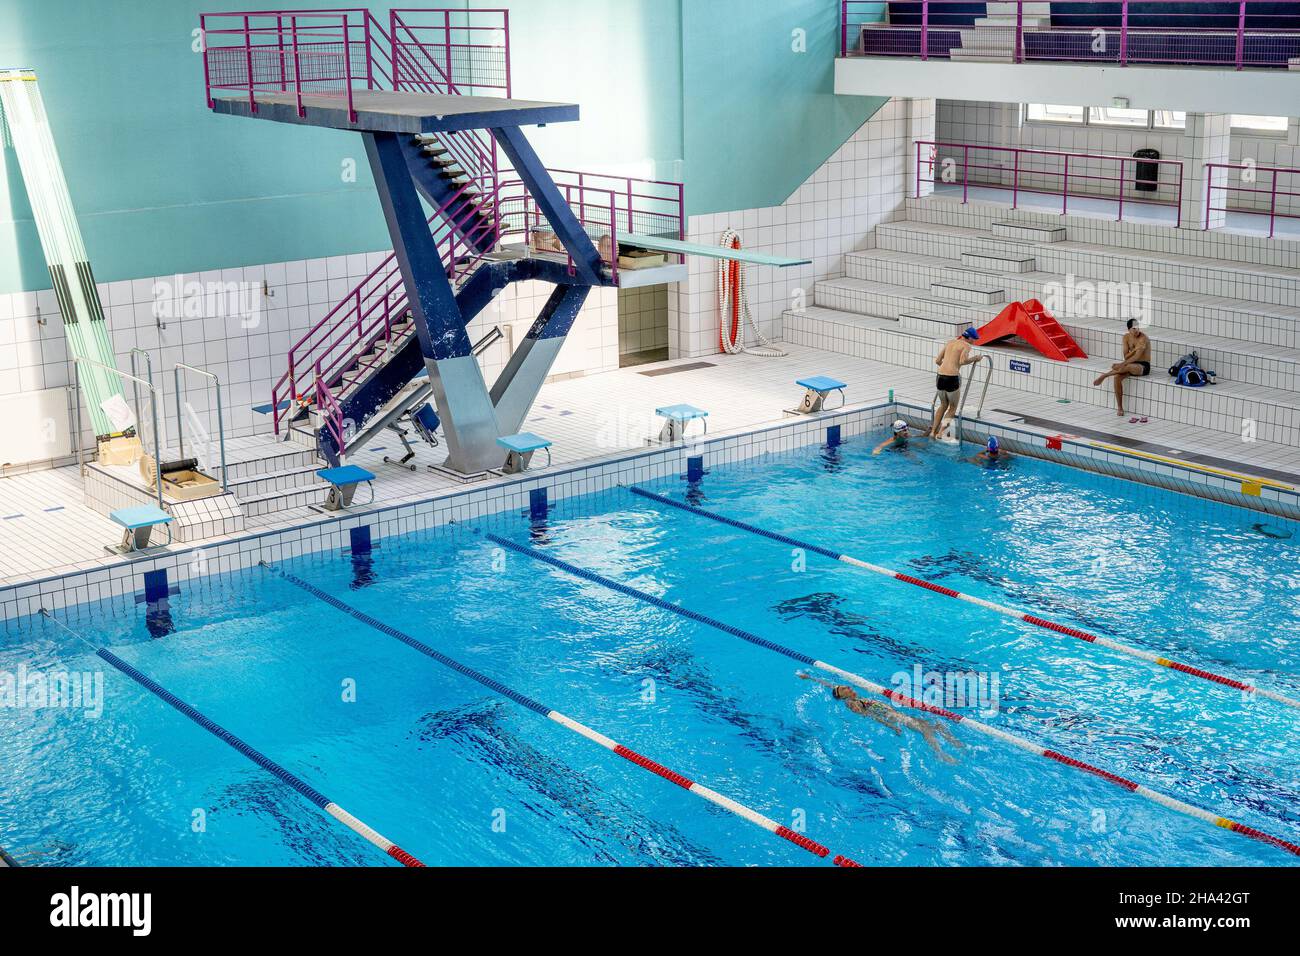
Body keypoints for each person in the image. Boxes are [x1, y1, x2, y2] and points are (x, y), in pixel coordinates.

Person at [799, 673, 965, 764]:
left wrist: (811, 678)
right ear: (842, 696)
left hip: (899, 714)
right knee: (925, 730)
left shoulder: (853, 698)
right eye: (844, 688)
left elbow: (830, 685)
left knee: (935, 724)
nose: (847, 687)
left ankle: (956, 744)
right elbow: (869, 715)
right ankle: (940, 754)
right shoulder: (852, 704)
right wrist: (891, 726)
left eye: (845, 686)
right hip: (894, 717)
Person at [931, 328, 983, 439]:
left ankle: (932, 432)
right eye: (974, 339)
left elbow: (937, 361)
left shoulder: (950, 342)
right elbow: (962, 361)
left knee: (943, 405)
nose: (974, 342)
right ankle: (940, 433)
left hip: (940, 376)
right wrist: (975, 358)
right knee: (953, 407)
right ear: (968, 337)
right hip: (952, 378)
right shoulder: (966, 346)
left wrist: (945, 369)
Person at [1092, 320, 1152, 417]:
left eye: (1138, 327)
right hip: (1130, 364)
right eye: (1134, 328)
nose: (1137, 330)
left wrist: (1121, 364)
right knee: (1117, 378)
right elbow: (1126, 356)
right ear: (1129, 329)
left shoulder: (1143, 339)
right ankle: (1120, 408)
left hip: (1143, 366)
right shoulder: (1126, 337)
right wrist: (1134, 350)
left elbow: (1137, 357)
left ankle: (1105, 375)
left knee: (1127, 366)